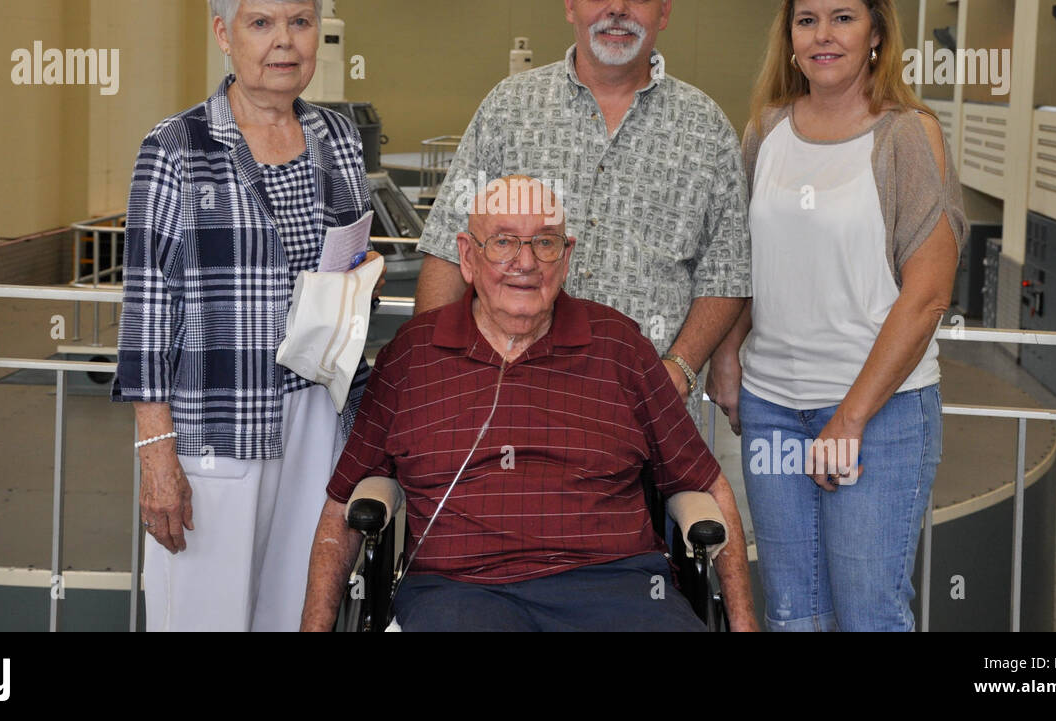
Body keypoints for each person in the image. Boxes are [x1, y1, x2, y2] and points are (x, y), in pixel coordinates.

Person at [301, 176, 759, 632]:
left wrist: (743, 624)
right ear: (467, 256)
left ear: (567, 257)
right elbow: (343, 503)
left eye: (544, 243)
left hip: (618, 587)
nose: (525, 263)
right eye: (503, 242)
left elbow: (708, 485)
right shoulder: (413, 354)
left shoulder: (619, 347)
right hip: (459, 590)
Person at [111, 0, 385, 631]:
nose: (284, 41)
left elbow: (347, 255)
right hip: (217, 427)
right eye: (261, 22)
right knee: (204, 615)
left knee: (294, 609)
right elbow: (146, 312)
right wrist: (156, 455)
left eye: (300, 21)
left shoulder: (337, 137)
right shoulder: (176, 147)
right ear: (224, 34)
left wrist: (360, 279)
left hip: (318, 419)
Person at [713, 0, 968, 632]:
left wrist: (850, 418)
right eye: (806, 20)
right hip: (772, 408)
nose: (823, 35)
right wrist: (730, 355)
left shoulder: (907, 136)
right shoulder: (765, 130)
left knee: (867, 613)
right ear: (790, 38)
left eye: (843, 18)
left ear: (876, 33)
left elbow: (927, 294)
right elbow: (740, 260)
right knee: (794, 611)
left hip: (878, 415)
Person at [413, 0, 750, 417]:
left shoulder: (705, 129)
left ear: (665, 10)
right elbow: (449, 246)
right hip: (508, 396)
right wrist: (431, 371)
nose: (617, 9)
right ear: (571, 4)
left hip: (645, 408)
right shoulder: (510, 109)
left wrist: (678, 369)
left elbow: (727, 273)